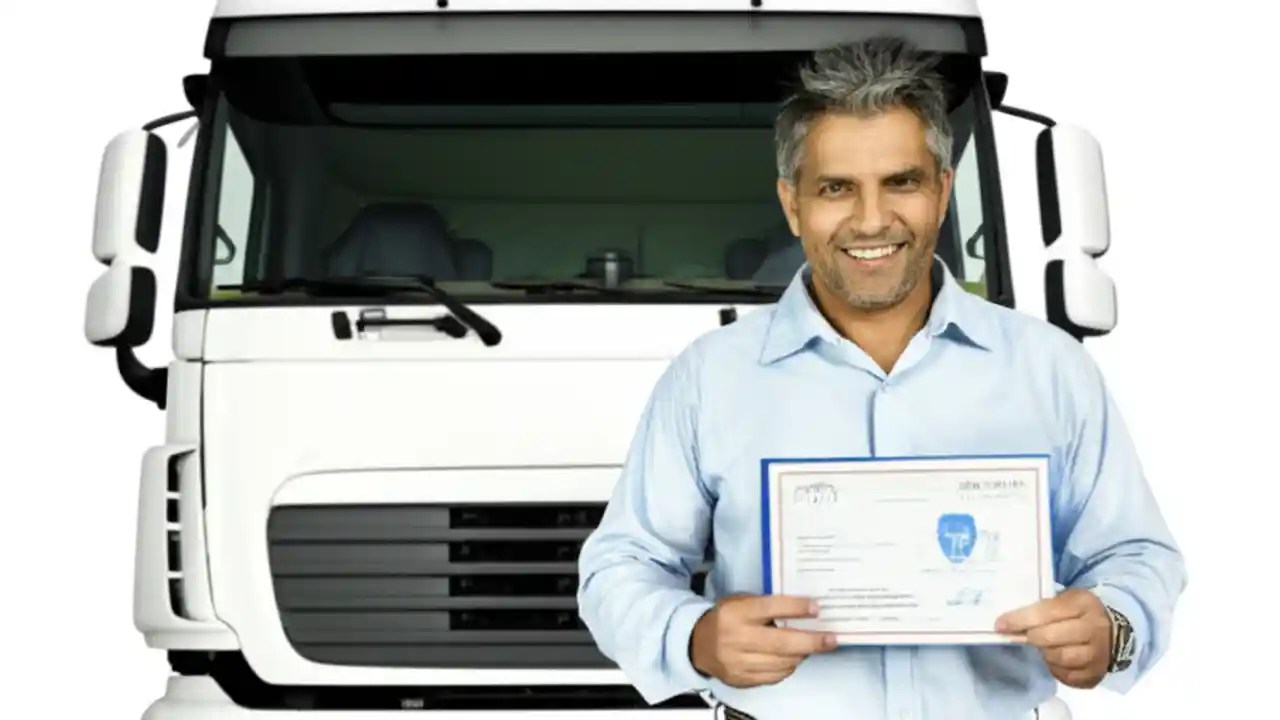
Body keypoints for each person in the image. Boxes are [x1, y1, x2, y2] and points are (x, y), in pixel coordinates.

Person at [576, 36, 1186, 720]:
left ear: (943, 189)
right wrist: (694, 639)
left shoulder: (1050, 369)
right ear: (792, 204)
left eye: (902, 182)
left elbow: (1135, 553)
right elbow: (619, 569)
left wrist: (1114, 625)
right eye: (837, 188)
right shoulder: (708, 379)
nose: (872, 220)